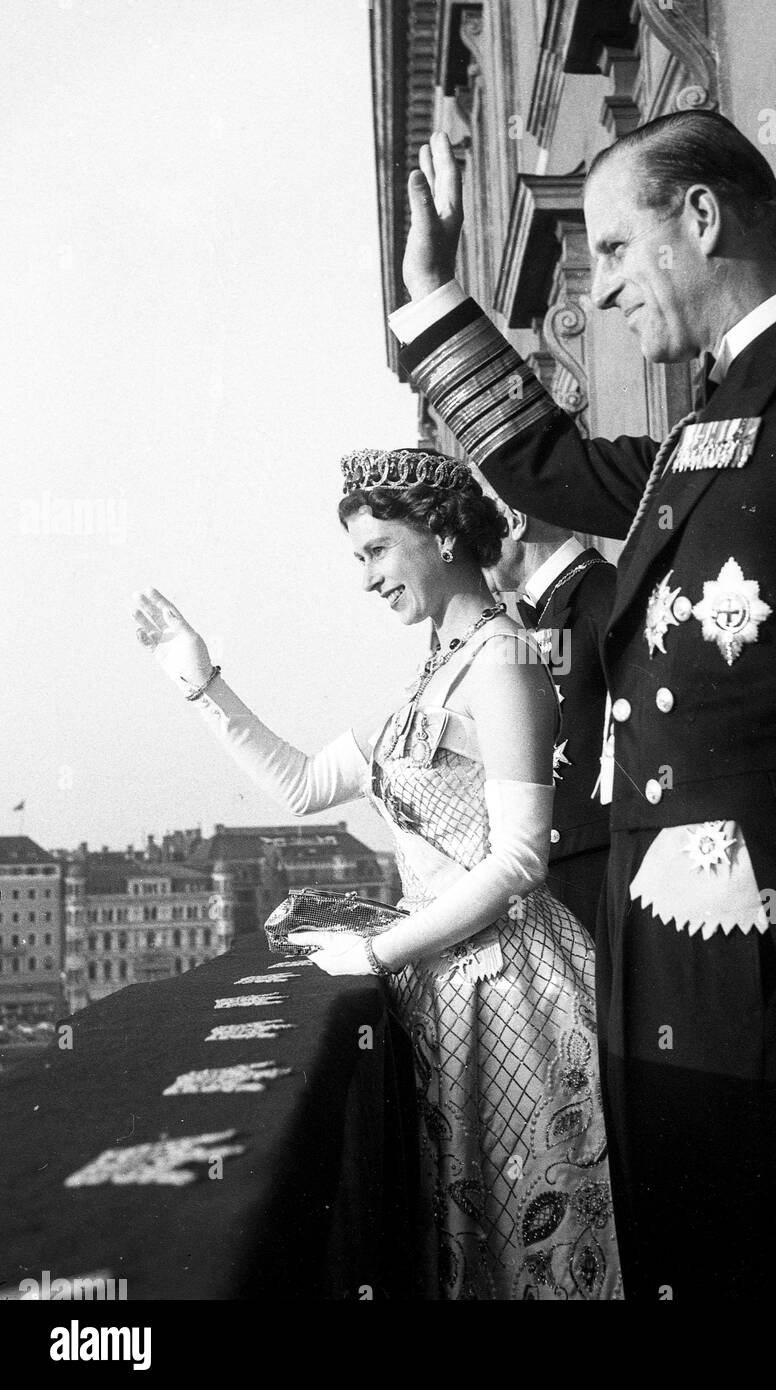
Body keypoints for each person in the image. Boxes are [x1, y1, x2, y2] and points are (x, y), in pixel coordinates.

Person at [386, 115, 776, 1301]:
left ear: (701, 219)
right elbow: (542, 463)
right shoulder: (707, 434)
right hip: (683, 971)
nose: (598, 289)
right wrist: (437, 290)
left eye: (612, 250)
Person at [130, 447, 623, 1301]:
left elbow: (518, 858)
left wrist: (378, 952)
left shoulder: (504, 660)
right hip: (449, 991)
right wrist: (199, 679)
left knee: (533, 1251)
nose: (365, 579)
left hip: (512, 997)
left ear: (437, 533)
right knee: (474, 1245)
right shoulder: (433, 674)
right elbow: (304, 784)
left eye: (375, 551)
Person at [481, 484, 615, 934]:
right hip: (563, 872)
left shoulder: (606, 598)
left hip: (605, 874)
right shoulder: (541, 612)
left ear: (514, 521)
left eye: (476, 528)